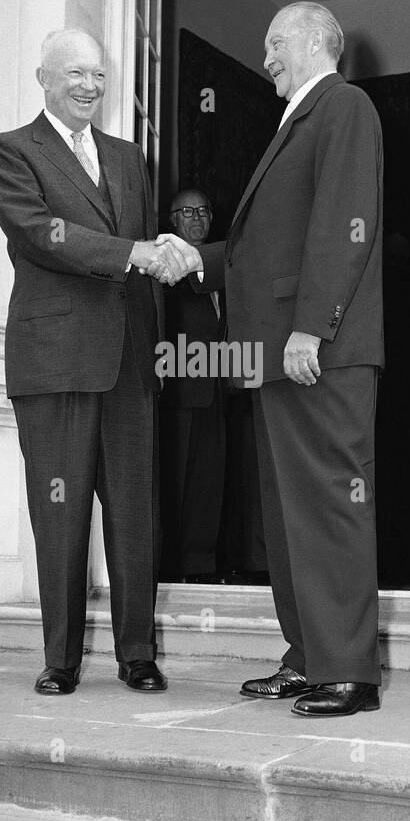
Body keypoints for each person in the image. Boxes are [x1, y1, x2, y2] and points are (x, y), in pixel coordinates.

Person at [172, 2, 384, 717]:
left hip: (315, 351)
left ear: (318, 41)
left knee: (330, 507)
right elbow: (266, 249)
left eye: (274, 43)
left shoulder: (343, 105)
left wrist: (312, 329)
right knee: (290, 517)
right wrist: (194, 259)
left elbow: (344, 225)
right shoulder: (297, 119)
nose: (264, 57)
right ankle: (309, 657)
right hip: (277, 355)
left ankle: (348, 670)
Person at [0, 29, 198, 697]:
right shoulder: (11, 151)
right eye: (74, 74)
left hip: (130, 364)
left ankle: (138, 653)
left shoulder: (130, 158)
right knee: (61, 512)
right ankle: (62, 660)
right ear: (42, 76)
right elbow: (42, 234)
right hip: (55, 364)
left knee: (136, 515)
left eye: (98, 76)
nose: (88, 87)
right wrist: (137, 251)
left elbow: (143, 260)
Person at [160, 189, 227, 582]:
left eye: (203, 210)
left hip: (218, 389)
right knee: (176, 483)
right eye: (187, 211)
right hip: (179, 391)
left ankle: (201, 566)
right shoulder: (165, 267)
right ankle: (169, 569)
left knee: (209, 483)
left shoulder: (224, 266)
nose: (197, 218)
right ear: (173, 221)